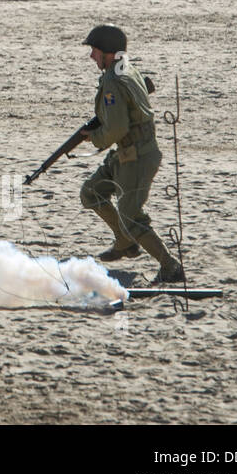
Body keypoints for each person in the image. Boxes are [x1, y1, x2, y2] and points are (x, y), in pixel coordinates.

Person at [78, 24, 183, 285]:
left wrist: (95, 138)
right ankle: (125, 241)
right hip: (126, 153)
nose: (92, 56)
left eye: (95, 51)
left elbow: (117, 127)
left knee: (131, 216)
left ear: (109, 54)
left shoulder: (114, 80)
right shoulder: (125, 69)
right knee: (92, 192)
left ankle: (171, 267)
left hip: (137, 157)